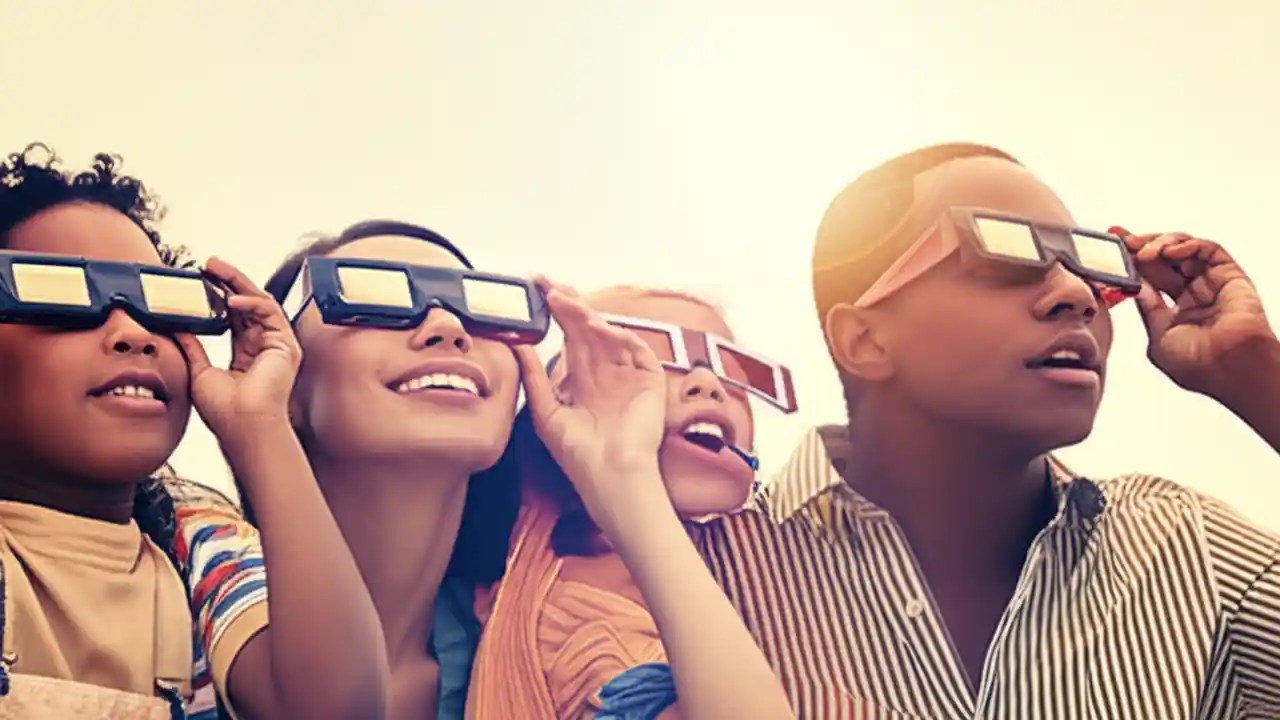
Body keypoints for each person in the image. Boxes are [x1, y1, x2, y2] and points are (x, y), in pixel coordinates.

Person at [694, 142, 1280, 718]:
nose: (1075, 296)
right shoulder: (705, 572)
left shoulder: (1185, 548)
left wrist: (1259, 379)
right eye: (1005, 257)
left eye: (1093, 267)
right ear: (865, 340)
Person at [0, 143, 386, 720]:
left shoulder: (199, 546)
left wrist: (260, 428)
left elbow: (341, 710)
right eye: (61, 296)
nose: (132, 331)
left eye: (160, 306)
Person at [179, 220, 534, 720]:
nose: (450, 328)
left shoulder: (536, 652)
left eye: (477, 307)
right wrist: (258, 427)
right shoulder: (177, 594)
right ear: (278, 370)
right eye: (375, 297)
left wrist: (621, 481)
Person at [468, 285, 798, 719]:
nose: (709, 383)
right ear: (557, 402)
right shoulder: (584, 629)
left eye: (733, 367)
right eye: (647, 353)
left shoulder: (767, 563)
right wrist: (626, 472)